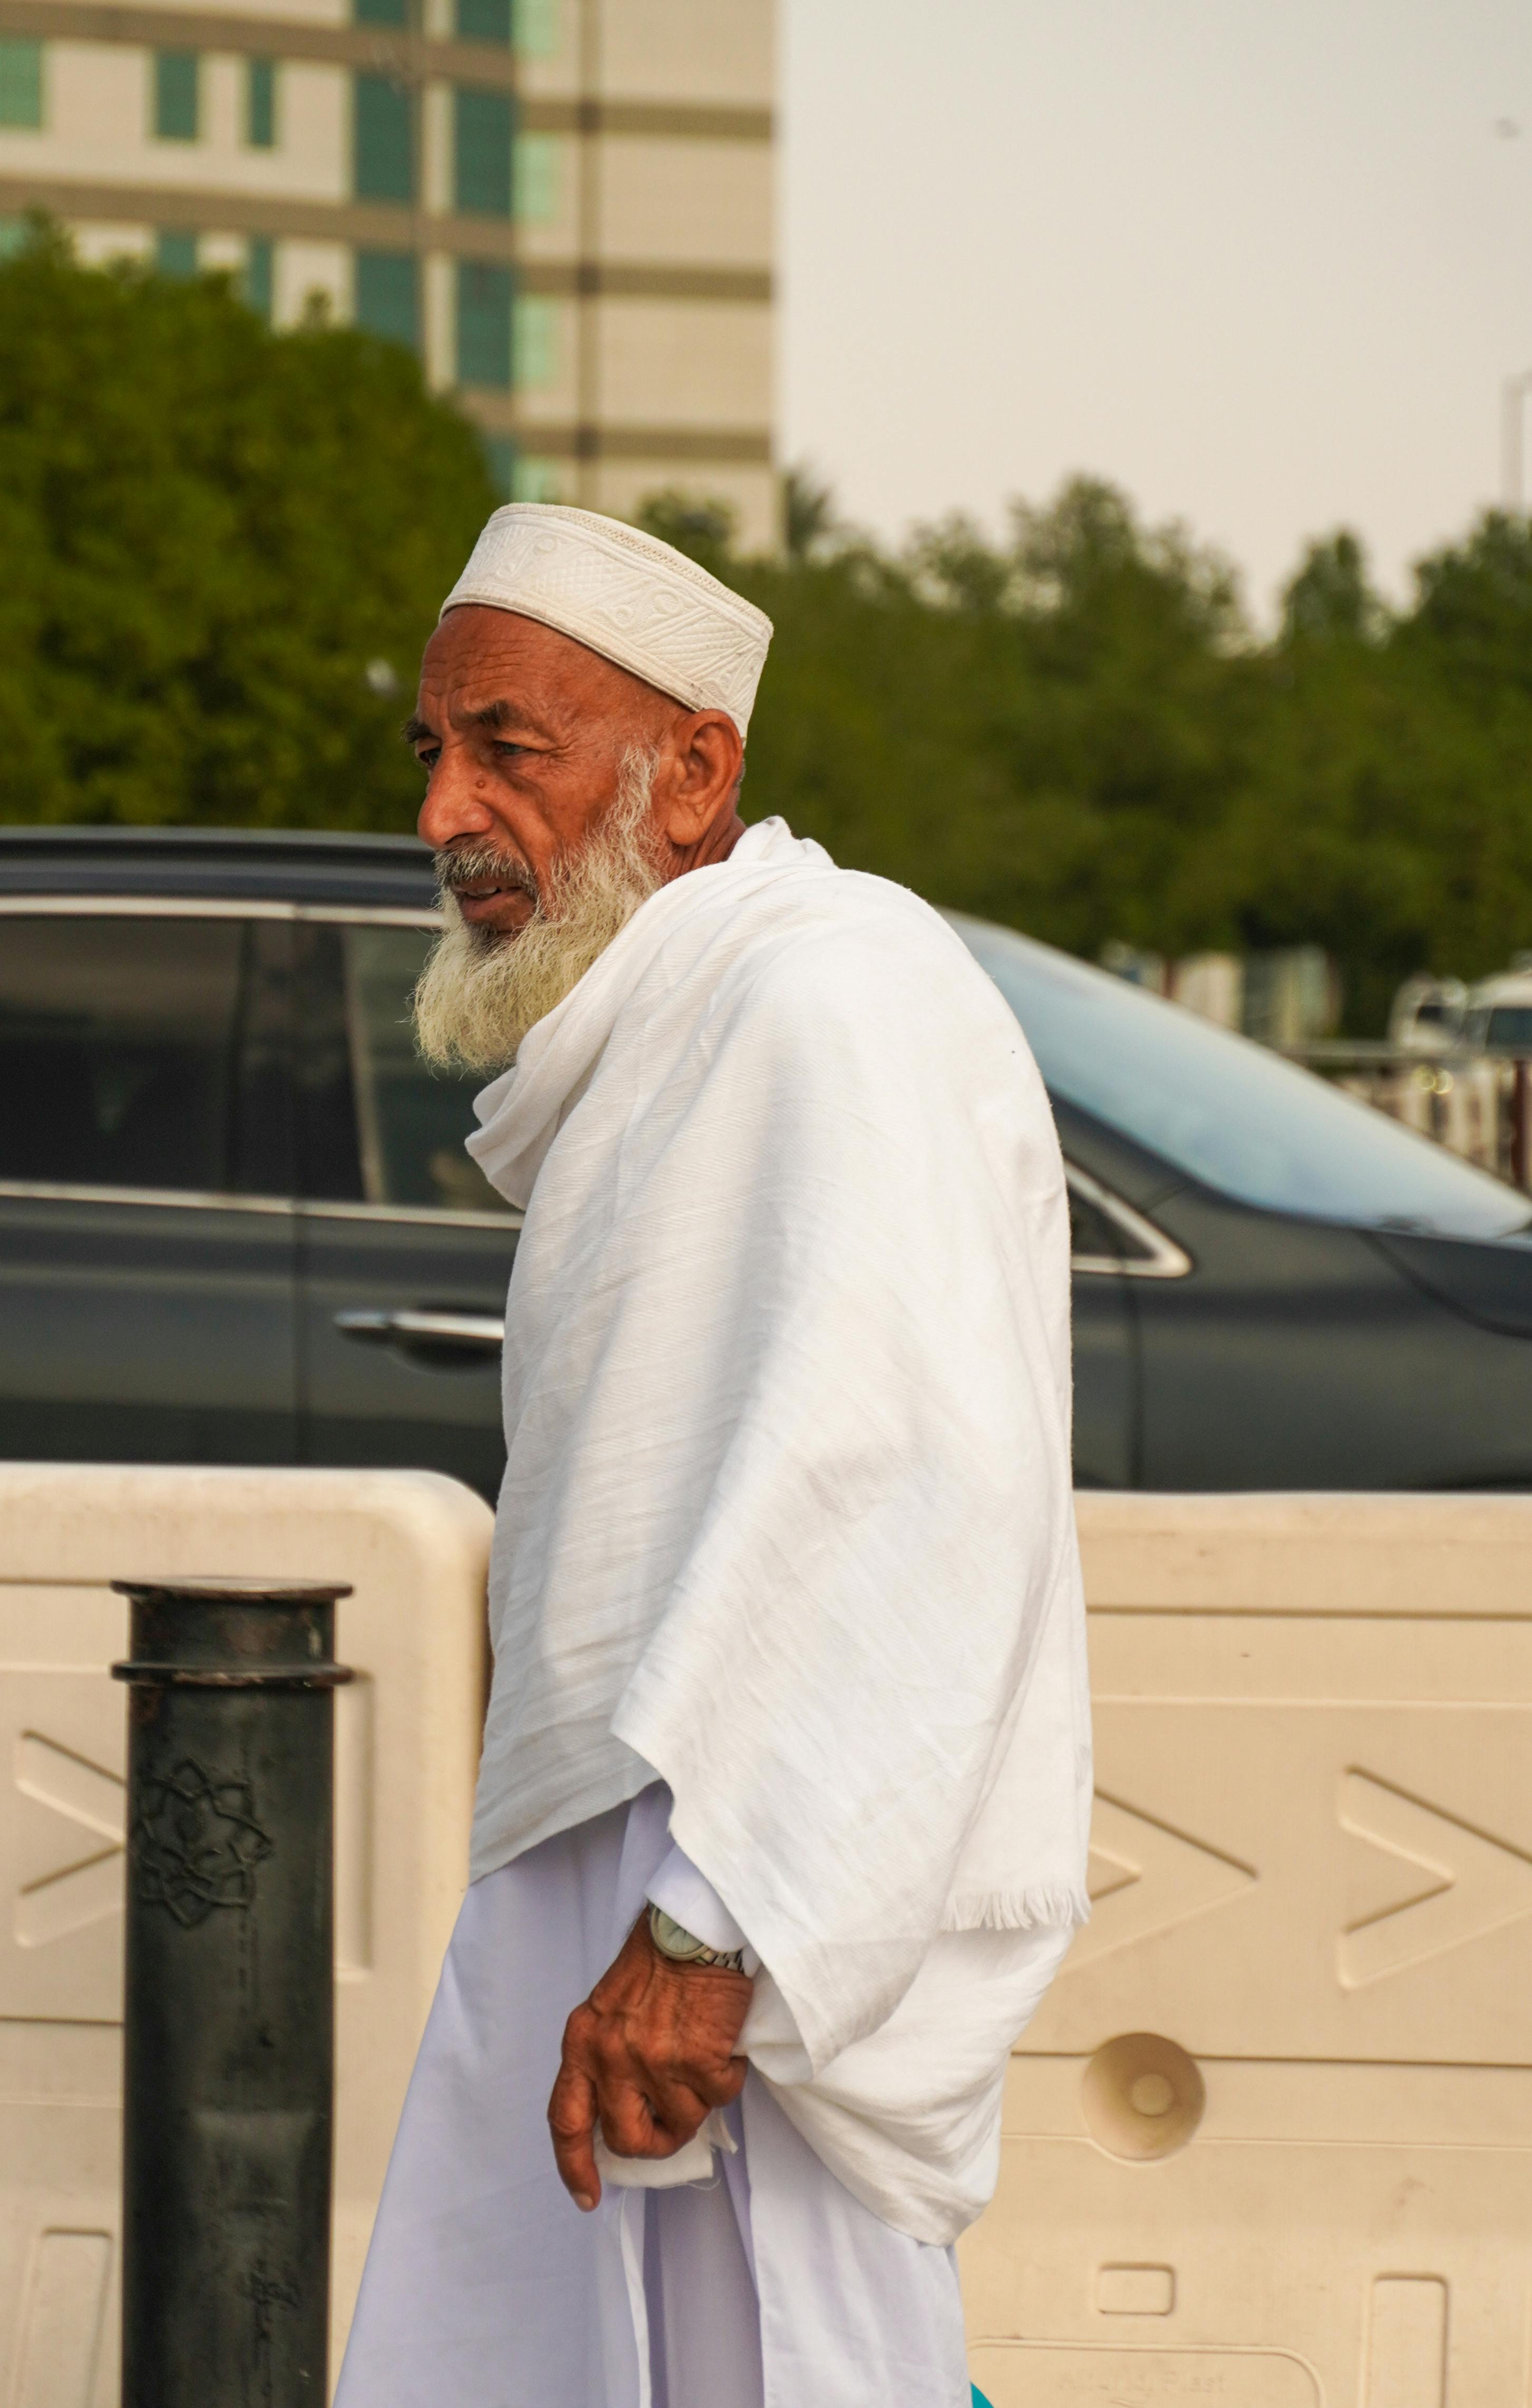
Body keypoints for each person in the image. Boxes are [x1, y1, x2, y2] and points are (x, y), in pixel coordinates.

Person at [333, 503, 1091, 2408]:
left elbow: (917, 1489)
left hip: (731, 1946)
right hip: (627, 1915)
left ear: (692, 774)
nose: (446, 818)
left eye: (511, 747)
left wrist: (716, 1935)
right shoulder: (692, 1020)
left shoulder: (827, 1001)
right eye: (434, 754)